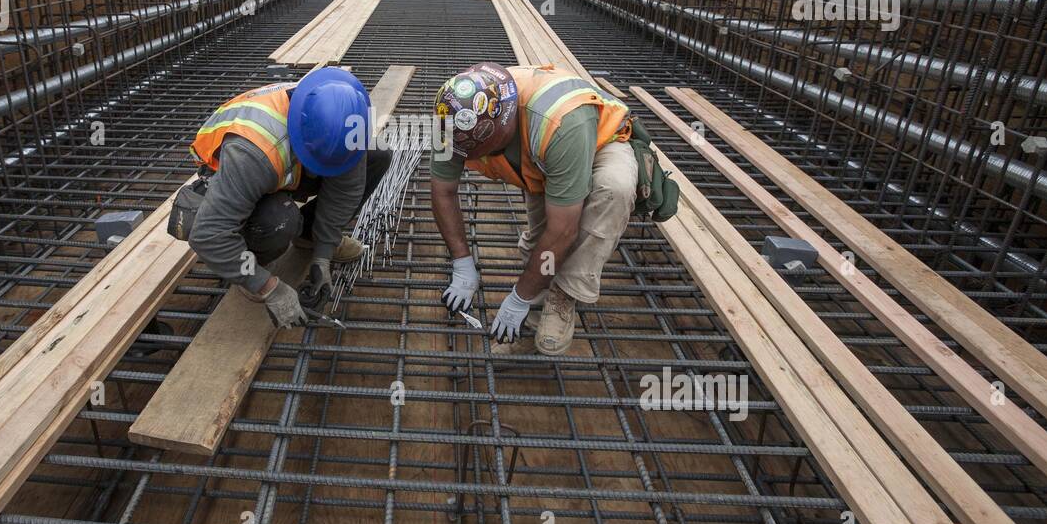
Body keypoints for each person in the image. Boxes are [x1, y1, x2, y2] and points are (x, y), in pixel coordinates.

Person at [430, 63, 673, 356]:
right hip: (543, 159)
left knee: (612, 190)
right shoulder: (453, 116)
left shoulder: (555, 124)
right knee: (541, 245)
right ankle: (528, 331)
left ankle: (563, 295)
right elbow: (443, 190)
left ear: (505, 130)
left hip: (598, 141)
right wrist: (462, 264)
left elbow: (563, 231)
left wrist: (519, 297)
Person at [168, 67, 391, 327]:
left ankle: (309, 236)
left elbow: (345, 190)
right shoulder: (252, 153)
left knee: (377, 155)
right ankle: (252, 266)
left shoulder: (343, 120)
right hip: (233, 174)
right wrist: (269, 287)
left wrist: (323, 253)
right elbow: (208, 236)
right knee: (279, 220)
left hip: (286, 163)